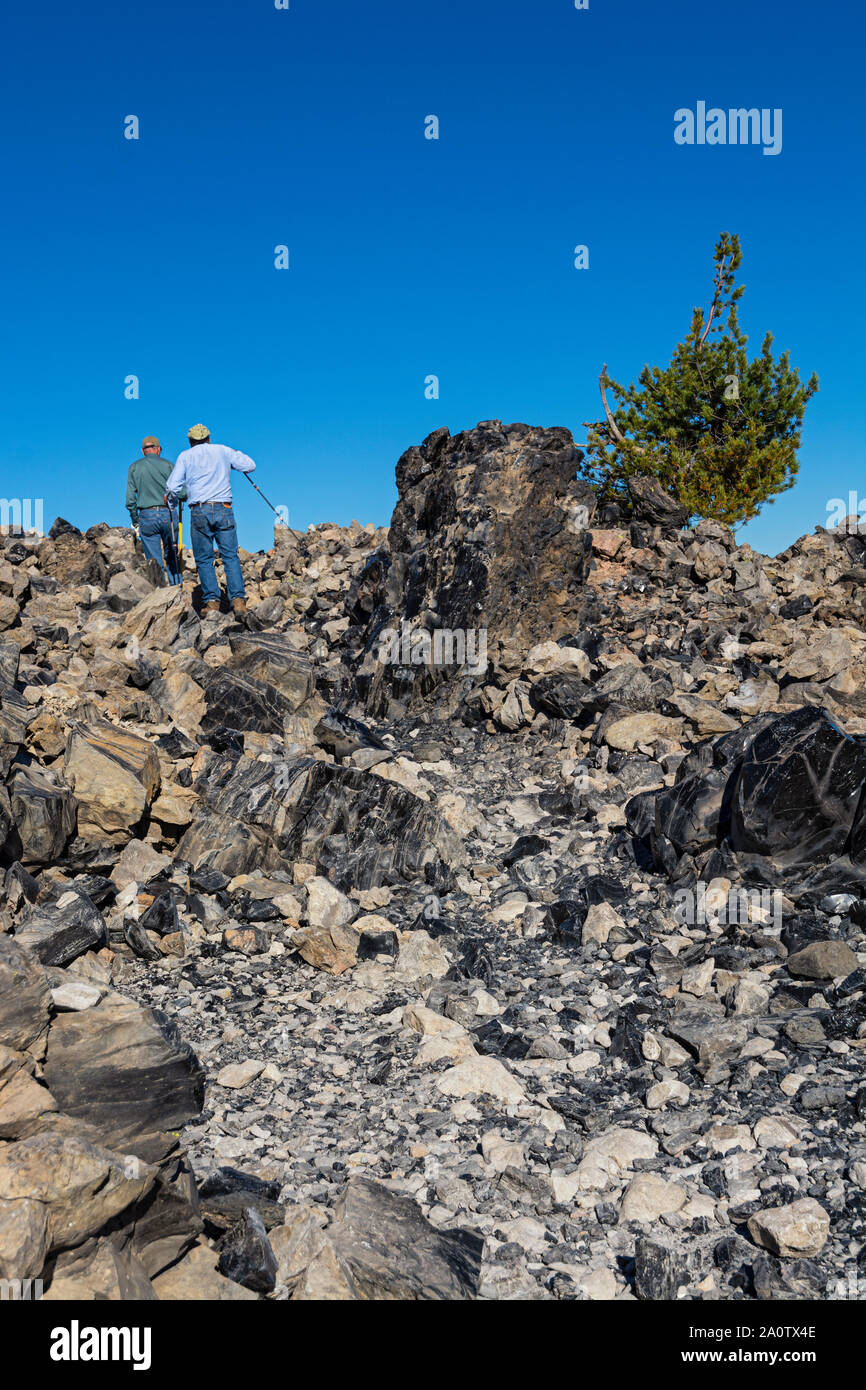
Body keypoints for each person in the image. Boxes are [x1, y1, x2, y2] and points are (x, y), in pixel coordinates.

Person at [165, 424, 255, 616]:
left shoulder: (185, 456)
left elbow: (172, 487)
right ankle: (238, 602)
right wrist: (232, 457)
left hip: (199, 510)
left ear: (190, 442)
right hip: (224, 508)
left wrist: (172, 505)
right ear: (209, 438)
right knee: (230, 556)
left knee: (204, 559)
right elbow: (250, 465)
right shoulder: (222, 450)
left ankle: (212, 602)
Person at [125, 436, 183, 585]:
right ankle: (177, 590)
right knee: (172, 554)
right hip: (168, 513)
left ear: (143, 451)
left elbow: (130, 499)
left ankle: (159, 593)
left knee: (153, 560)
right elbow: (182, 492)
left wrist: (135, 520)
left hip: (146, 515)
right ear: (158, 450)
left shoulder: (134, 468)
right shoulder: (169, 465)